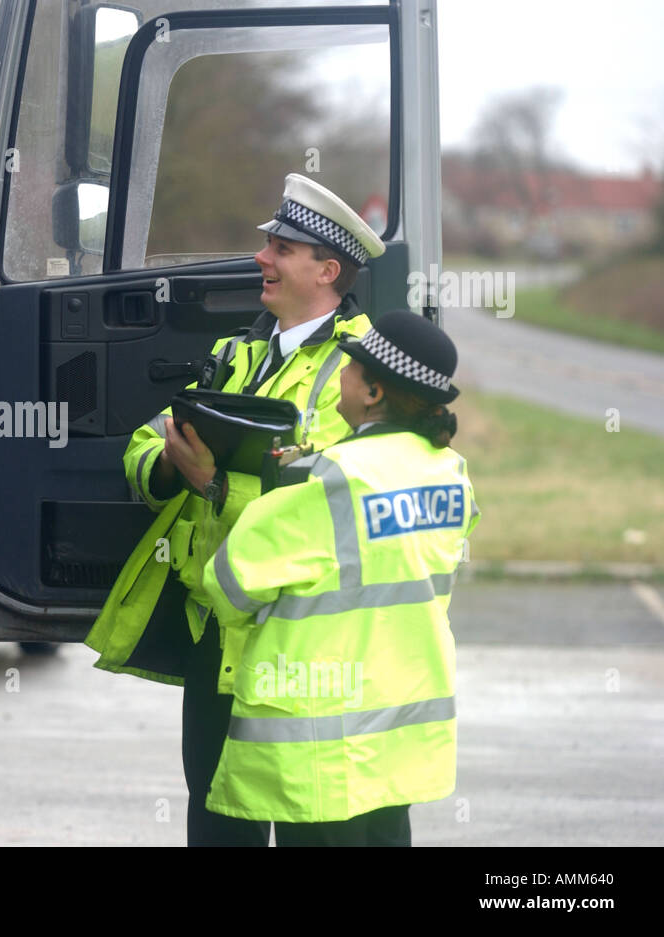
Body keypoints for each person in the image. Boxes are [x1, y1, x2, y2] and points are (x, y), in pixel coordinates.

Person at [85, 173, 387, 845]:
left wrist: (219, 486)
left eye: (281, 247)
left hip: (308, 647)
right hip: (218, 637)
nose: (262, 258)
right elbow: (146, 438)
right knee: (219, 823)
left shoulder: (363, 370)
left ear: (327, 269)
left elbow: (335, 506)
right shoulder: (238, 354)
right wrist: (170, 464)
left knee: (313, 827)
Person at [199, 310, 479, 846]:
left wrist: (264, 485)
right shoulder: (451, 472)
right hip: (398, 745)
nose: (340, 377)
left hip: (324, 751)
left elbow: (230, 581)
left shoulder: (334, 478)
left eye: (348, 369)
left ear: (372, 392)